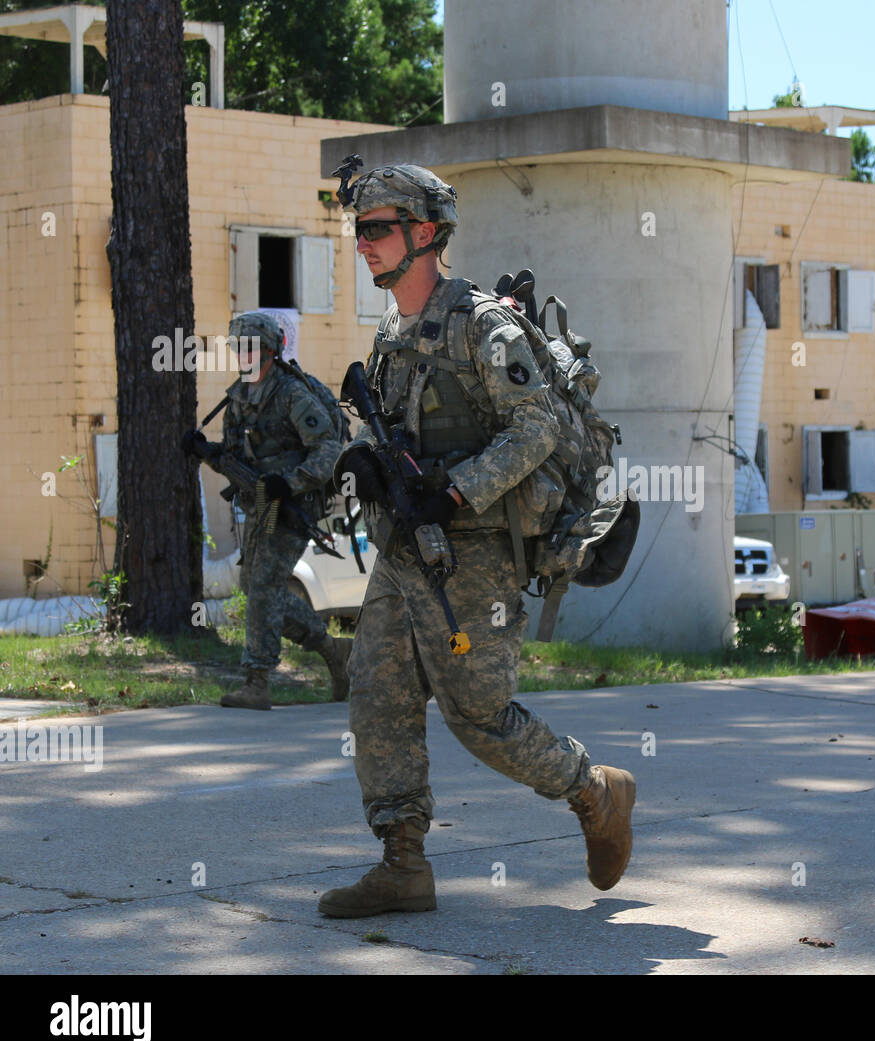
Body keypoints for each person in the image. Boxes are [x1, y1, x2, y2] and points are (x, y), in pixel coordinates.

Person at [317, 162, 635, 918]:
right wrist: (363, 458)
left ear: (424, 232)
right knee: (378, 692)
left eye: (376, 229)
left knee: (477, 711)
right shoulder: (393, 332)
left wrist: (456, 486)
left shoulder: (482, 323)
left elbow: (540, 425)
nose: (362, 244)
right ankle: (402, 861)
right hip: (406, 549)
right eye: (357, 229)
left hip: (474, 554)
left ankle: (595, 790)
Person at [182, 312, 352, 711]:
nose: (243, 355)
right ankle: (333, 650)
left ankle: (257, 681)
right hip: (260, 504)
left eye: (250, 347)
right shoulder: (238, 397)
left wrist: (289, 483)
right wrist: (205, 452)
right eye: (236, 348)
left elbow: (330, 451)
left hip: (294, 504)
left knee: (262, 586)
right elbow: (235, 460)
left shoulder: (292, 395)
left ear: (271, 351)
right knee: (258, 587)